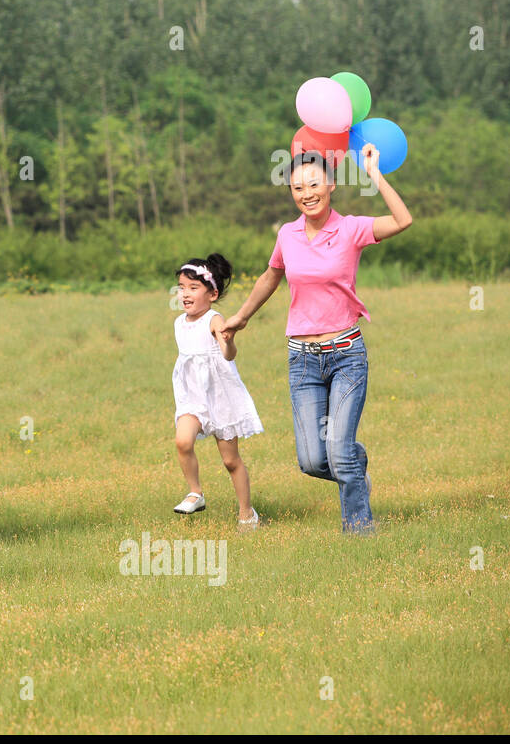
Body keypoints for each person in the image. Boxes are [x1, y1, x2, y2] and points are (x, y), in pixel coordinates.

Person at [223, 143, 413, 533]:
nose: (306, 193)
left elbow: (403, 219)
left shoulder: (352, 228)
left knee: (339, 453)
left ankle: (360, 531)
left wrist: (374, 174)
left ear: (331, 185)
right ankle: (355, 474)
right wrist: (241, 317)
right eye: (297, 187)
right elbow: (270, 276)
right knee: (312, 460)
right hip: (303, 359)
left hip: (346, 354)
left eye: (313, 184)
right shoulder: (287, 234)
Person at [171, 254, 264, 527]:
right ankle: (195, 492)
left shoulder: (214, 319)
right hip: (192, 398)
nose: (185, 294)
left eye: (193, 288)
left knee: (230, 461)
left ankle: (247, 513)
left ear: (212, 294)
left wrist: (227, 342)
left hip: (220, 398)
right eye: (181, 287)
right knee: (182, 442)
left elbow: (228, 354)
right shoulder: (179, 323)